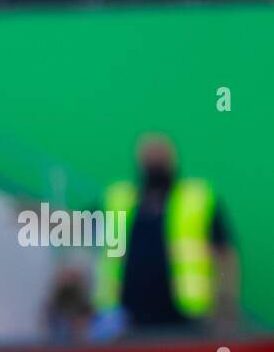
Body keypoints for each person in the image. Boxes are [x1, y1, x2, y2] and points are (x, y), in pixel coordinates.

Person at [94, 134, 239, 338]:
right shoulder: (118, 198)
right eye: (149, 157)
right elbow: (77, 228)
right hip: (126, 319)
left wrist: (225, 306)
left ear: (173, 160)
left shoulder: (197, 197)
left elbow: (225, 254)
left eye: (160, 157)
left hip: (187, 317)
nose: (155, 163)